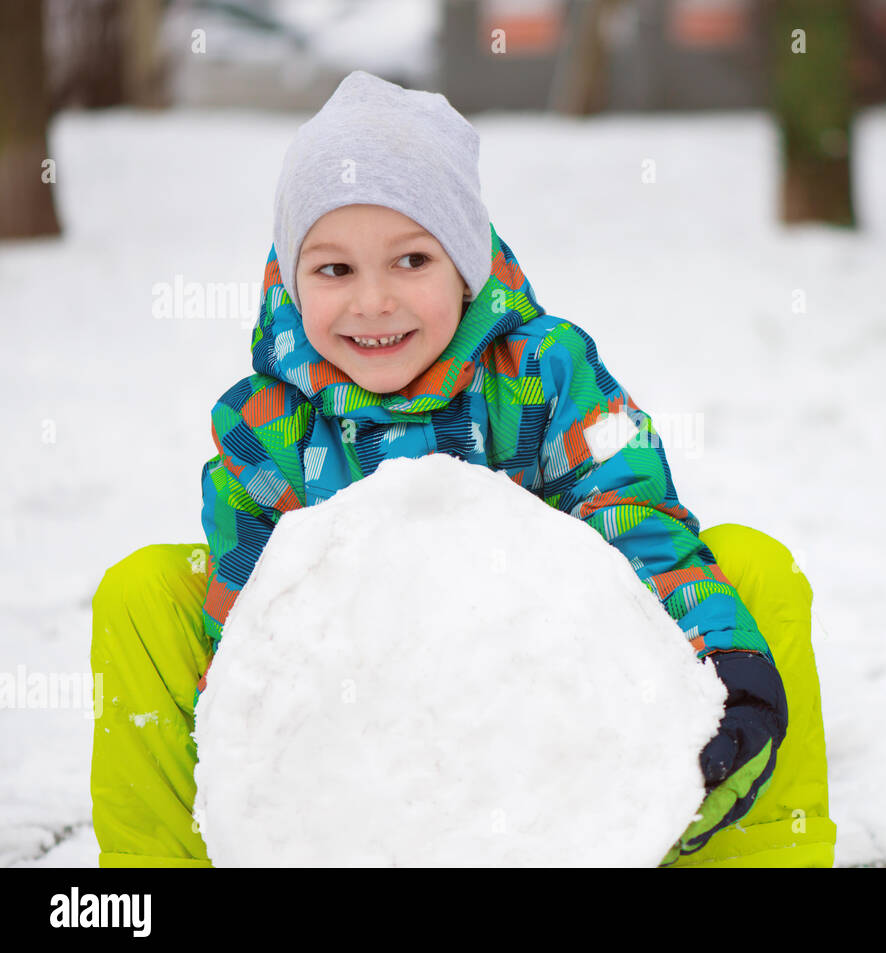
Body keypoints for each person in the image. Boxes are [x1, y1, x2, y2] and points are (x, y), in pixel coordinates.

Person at [90, 71, 835, 868]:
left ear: (466, 264)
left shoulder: (547, 373)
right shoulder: (263, 427)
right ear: (289, 277)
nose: (373, 301)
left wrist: (722, 654)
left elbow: (634, 515)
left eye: (410, 259)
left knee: (751, 572)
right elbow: (245, 633)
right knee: (143, 591)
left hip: (556, 737)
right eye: (334, 270)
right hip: (359, 761)